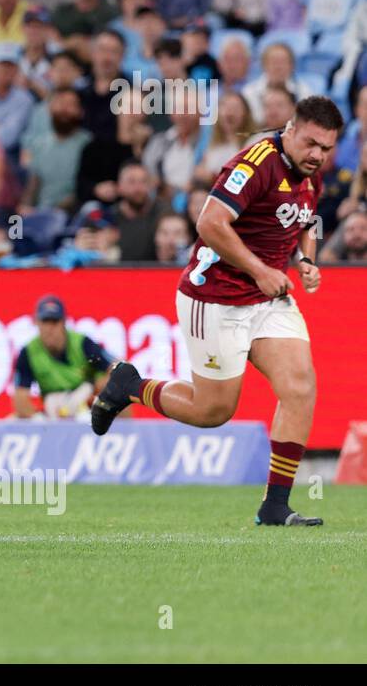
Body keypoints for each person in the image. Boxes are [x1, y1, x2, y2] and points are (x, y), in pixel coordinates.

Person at [91, 97, 344, 528]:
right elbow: (209, 223)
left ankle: (275, 506)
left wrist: (306, 261)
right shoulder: (256, 162)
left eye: (327, 148)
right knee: (213, 411)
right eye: (311, 143)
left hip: (268, 299)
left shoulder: (310, 173)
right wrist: (261, 269)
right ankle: (129, 385)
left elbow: (306, 221)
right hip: (216, 296)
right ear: (290, 128)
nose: (318, 155)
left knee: (300, 387)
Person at [11, 295, 113, 420]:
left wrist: (96, 392)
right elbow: (20, 398)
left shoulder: (82, 343)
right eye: (45, 322)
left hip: (86, 400)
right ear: (36, 323)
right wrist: (38, 419)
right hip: (53, 404)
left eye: (54, 322)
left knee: (120, 397)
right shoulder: (29, 352)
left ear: (64, 322)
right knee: (12, 420)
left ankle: (128, 436)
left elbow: (118, 369)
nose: (50, 328)